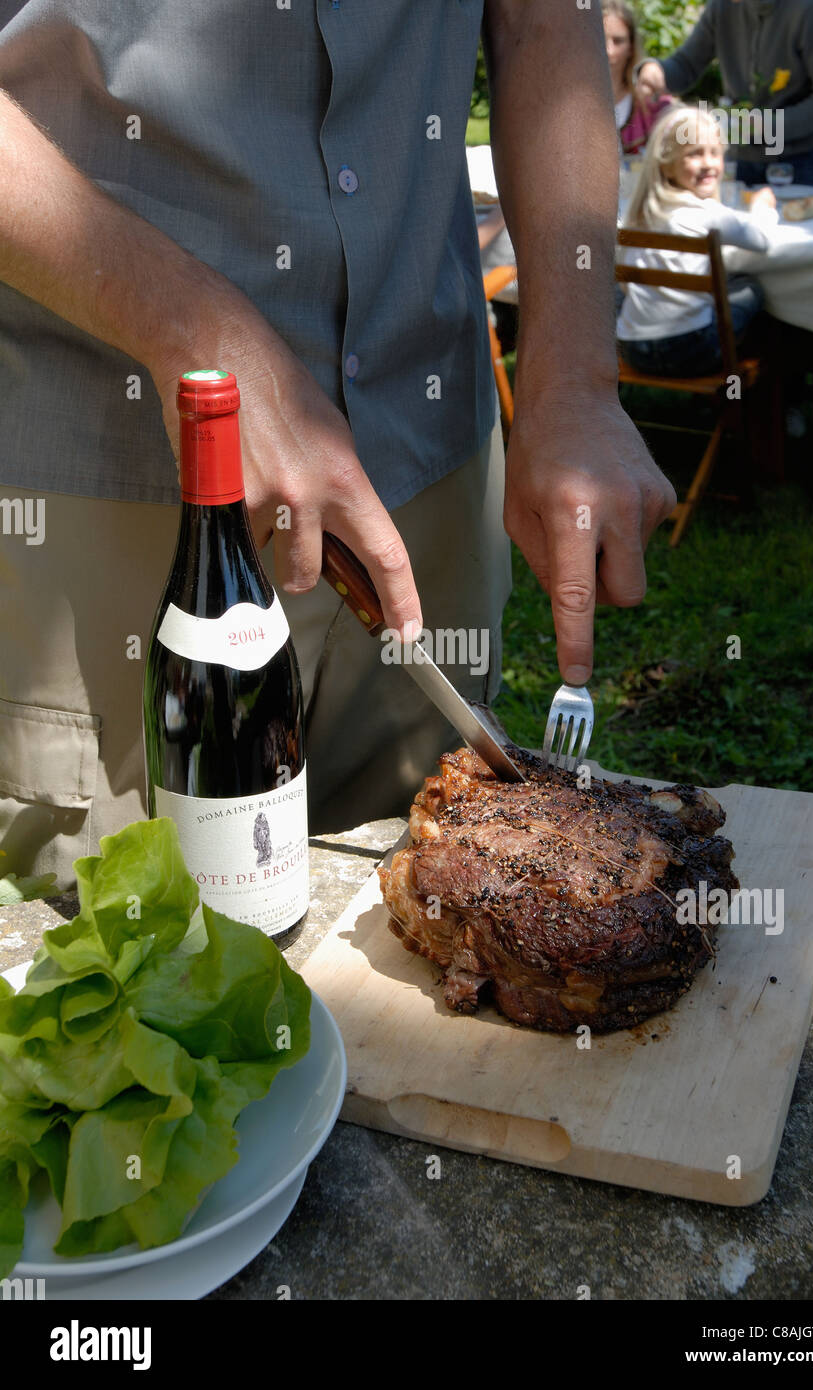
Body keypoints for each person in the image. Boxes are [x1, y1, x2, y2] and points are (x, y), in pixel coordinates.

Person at [0, 1, 675, 890]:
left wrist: (575, 380)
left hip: (427, 477)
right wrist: (185, 326)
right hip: (104, 497)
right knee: (125, 972)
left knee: (431, 938)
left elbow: (546, 23)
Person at [617, 104, 776, 378]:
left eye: (715, 153)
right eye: (694, 154)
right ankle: (760, 401)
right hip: (690, 352)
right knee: (750, 287)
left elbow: (626, 286)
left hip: (632, 348)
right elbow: (761, 239)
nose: (708, 164)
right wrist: (763, 207)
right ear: (666, 166)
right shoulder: (707, 214)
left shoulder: (636, 214)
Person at [635, 0, 813, 190]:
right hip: (742, 161)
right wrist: (656, 72)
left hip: (803, 162)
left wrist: (769, 127)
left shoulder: (810, 10)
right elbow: (686, 65)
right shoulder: (721, 7)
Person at [603, 0, 672, 156]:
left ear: (631, 47)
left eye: (618, 41)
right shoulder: (570, 102)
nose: (609, 51)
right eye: (601, 39)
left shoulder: (649, 104)